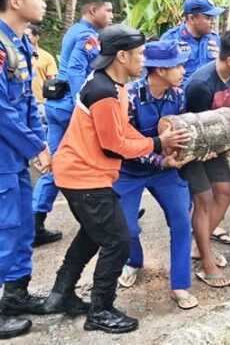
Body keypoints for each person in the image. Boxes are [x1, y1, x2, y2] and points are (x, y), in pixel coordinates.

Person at [48, 24, 189, 334]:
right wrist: (157, 143)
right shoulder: (103, 92)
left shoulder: (114, 85)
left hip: (88, 174)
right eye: (140, 54)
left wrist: (155, 144)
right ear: (122, 56)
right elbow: (114, 144)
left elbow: (123, 130)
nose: (144, 60)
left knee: (91, 236)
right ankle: (101, 310)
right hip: (83, 176)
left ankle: (61, 294)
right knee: (117, 242)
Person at [112, 40, 199, 310]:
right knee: (126, 227)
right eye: (178, 66)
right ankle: (133, 260)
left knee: (181, 220)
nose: (183, 71)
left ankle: (180, 284)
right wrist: (161, 159)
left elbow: (184, 130)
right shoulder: (129, 97)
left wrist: (190, 153)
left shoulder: (179, 95)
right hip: (130, 170)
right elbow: (126, 144)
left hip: (166, 169)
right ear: (160, 70)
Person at [0, 0, 55, 339]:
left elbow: (28, 102)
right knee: (4, 229)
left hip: (15, 155)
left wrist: (41, 142)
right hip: (2, 156)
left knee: (20, 226)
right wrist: (35, 145)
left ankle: (15, 295)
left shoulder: (20, 42)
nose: (43, 2)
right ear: (16, 1)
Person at [33, 0, 113, 247]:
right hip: (70, 108)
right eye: (108, 10)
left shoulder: (75, 30)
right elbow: (77, 70)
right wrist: (84, 104)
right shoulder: (86, 36)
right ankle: (108, 215)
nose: (111, 16)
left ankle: (35, 222)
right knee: (99, 157)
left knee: (56, 163)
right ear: (93, 10)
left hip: (57, 105)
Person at [180, 30, 230, 287]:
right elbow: (193, 127)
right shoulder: (201, 85)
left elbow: (228, 114)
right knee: (204, 198)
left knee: (226, 192)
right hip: (191, 147)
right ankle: (206, 262)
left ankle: (198, 247)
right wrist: (205, 150)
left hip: (215, 145)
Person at [160, 0, 224, 85]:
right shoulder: (170, 40)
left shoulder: (214, 39)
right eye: (208, 18)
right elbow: (161, 77)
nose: (213, 22)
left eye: (213, 18)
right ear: (192, 18)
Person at [25, 24, 57, 118]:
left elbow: (52, 82)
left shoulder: (47, 57)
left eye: (27, 36)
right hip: (21, 102)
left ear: (36, 37)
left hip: (40, 103)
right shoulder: (16, 55)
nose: (24, 38)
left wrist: (51, 103)